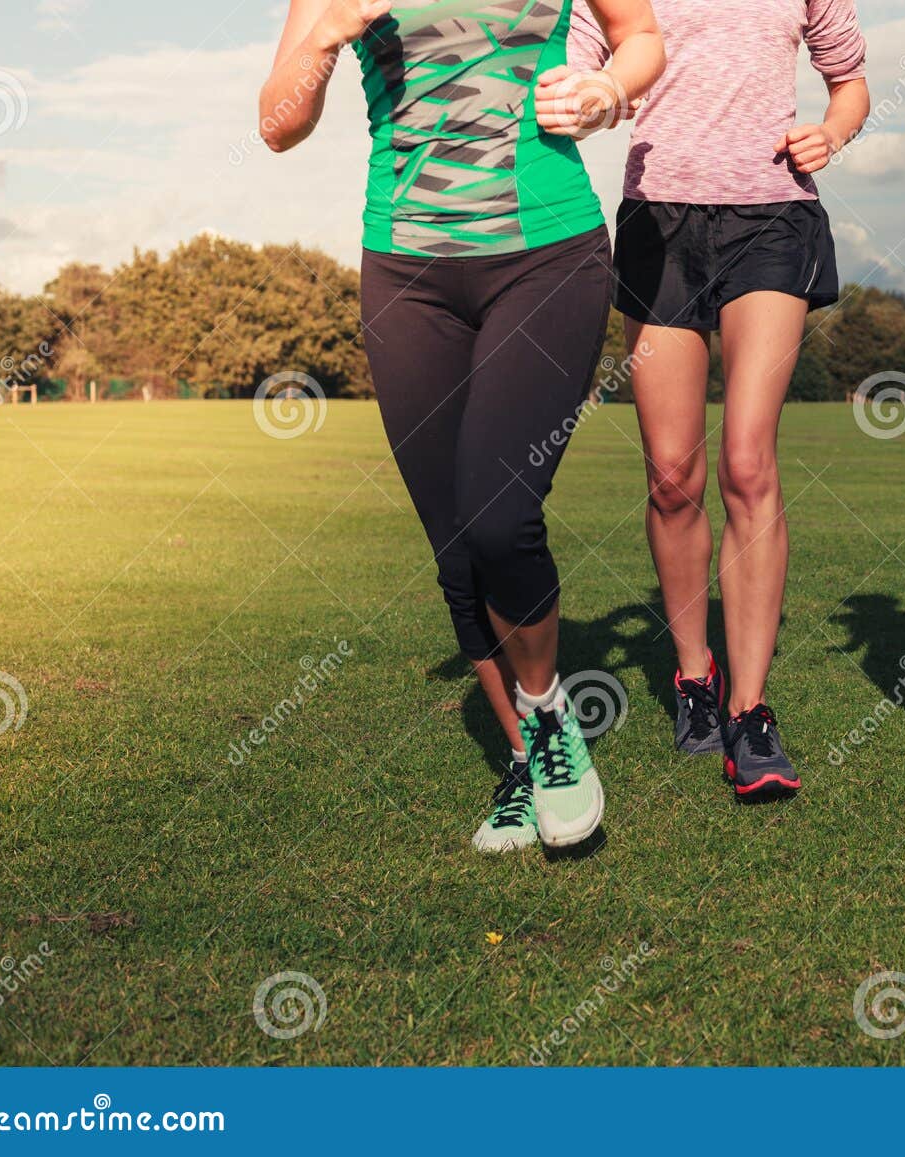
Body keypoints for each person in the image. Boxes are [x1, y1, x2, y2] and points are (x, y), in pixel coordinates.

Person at [261, 0, 664, 852]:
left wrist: (604, 91)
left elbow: (641, 38)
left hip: (546, 251)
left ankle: (549, 712)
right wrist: (328, 36)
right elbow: (278, 124)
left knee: (498, 512)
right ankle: (528, 759)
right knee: (455, 544)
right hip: (407, 274)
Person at [567, 0, 869, 798]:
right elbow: (582, 69)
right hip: (657, 221)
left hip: (772, 217)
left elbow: (851, 84)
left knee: (746, 463)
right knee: (671, 474)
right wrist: (594, 95)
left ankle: (751, 707)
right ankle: (693, 677)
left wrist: (831, 134)